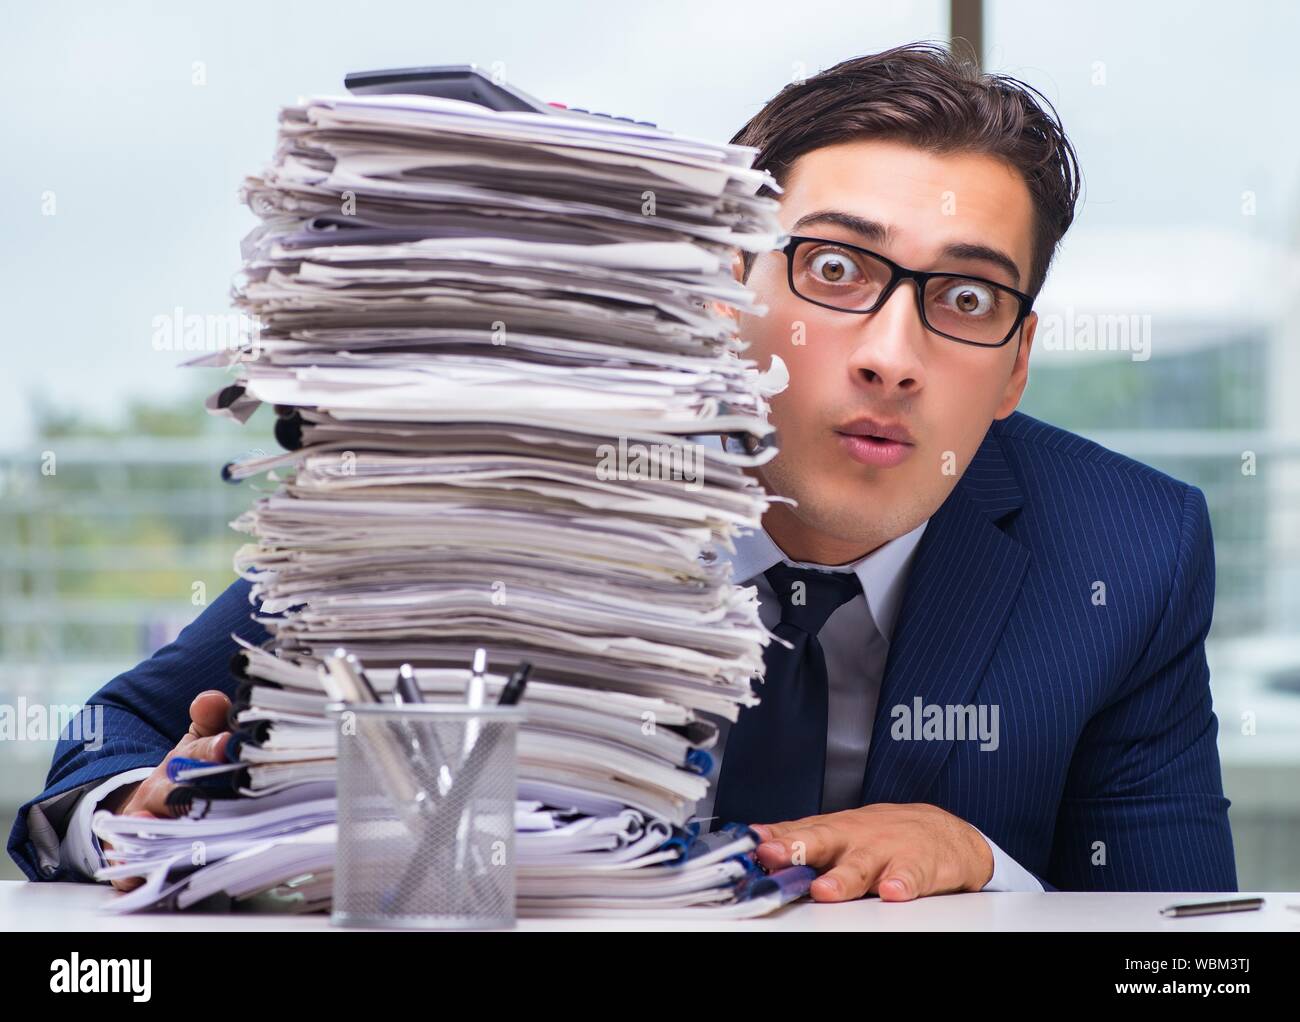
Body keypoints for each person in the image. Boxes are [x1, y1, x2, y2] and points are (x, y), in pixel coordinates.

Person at [9, 42, 1236, 899]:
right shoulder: (509, 482)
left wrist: (984, 862)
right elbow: (107, 744)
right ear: (721, 295)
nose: (892, 356)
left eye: (964, 297)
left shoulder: (1124, 553)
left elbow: (1189, 948)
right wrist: (138, 807)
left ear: (1016, 367)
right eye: (834, 270)